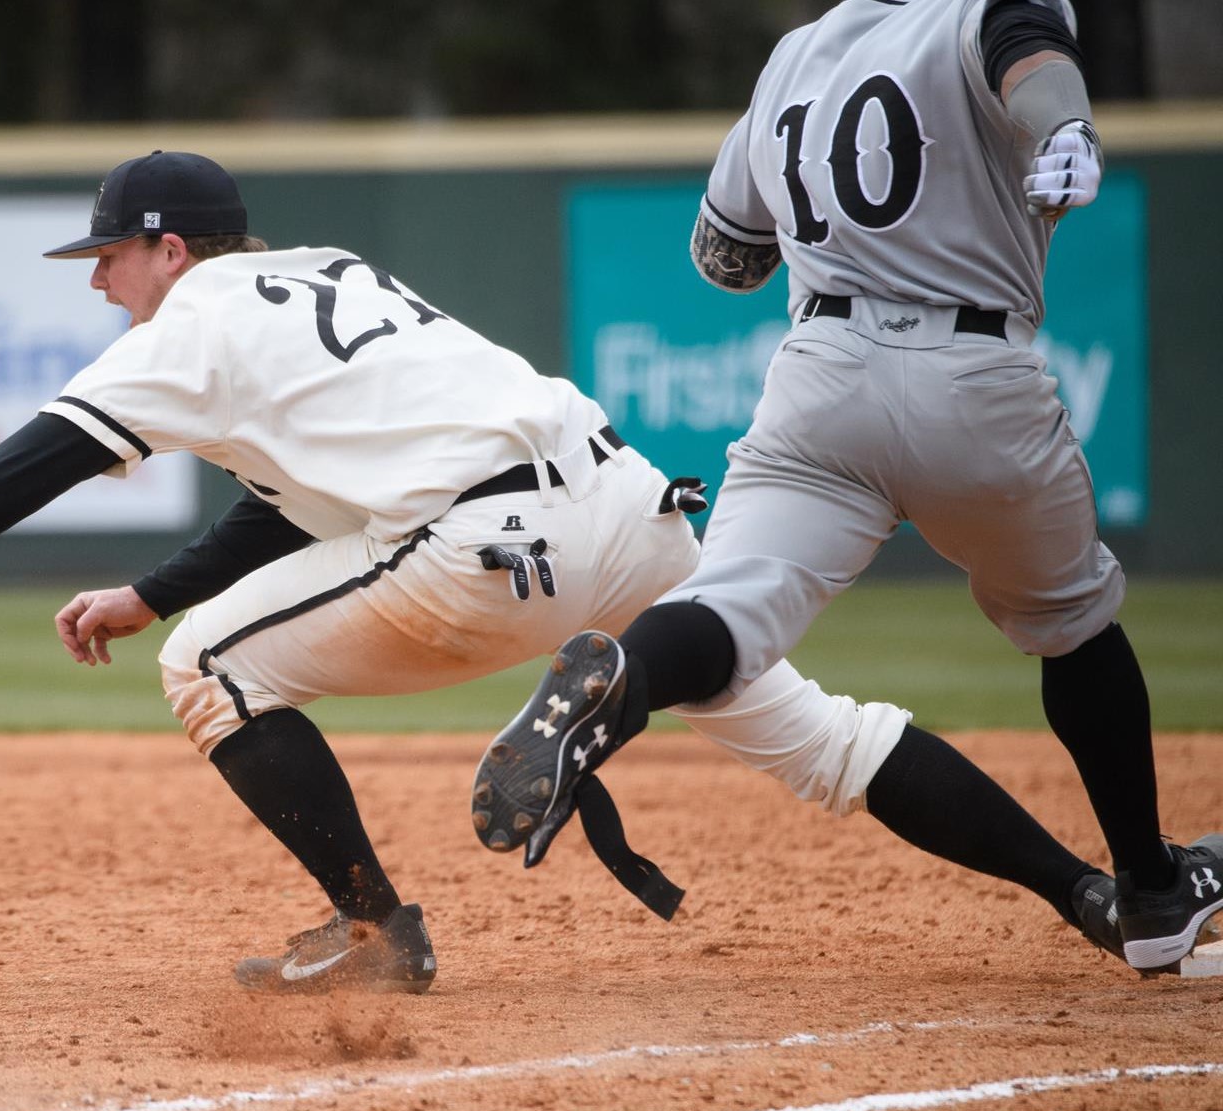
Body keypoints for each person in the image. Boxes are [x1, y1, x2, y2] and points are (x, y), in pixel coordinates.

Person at [0, 149, 1124, 993]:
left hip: (489, 550)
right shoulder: (321, 276)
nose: (99, 282)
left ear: (171, 248)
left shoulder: (185, 326)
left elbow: (11, 473)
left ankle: (376, 932)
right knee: (822, 737)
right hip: (627, 511)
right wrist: (149, 588)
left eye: (107, 255)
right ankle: (1095, 893)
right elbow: (289, 512)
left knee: (207, 665)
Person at [511, 0, 1219, 975]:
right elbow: (1027, 51)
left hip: (821, 376)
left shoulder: (795, 54)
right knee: (1071, 625)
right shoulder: (976, 12)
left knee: (722, 610)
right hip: (971, 372)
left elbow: (722, 257)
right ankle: (1151, 888)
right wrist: (1066, 128)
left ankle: (616, 685)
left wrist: (828, 220)